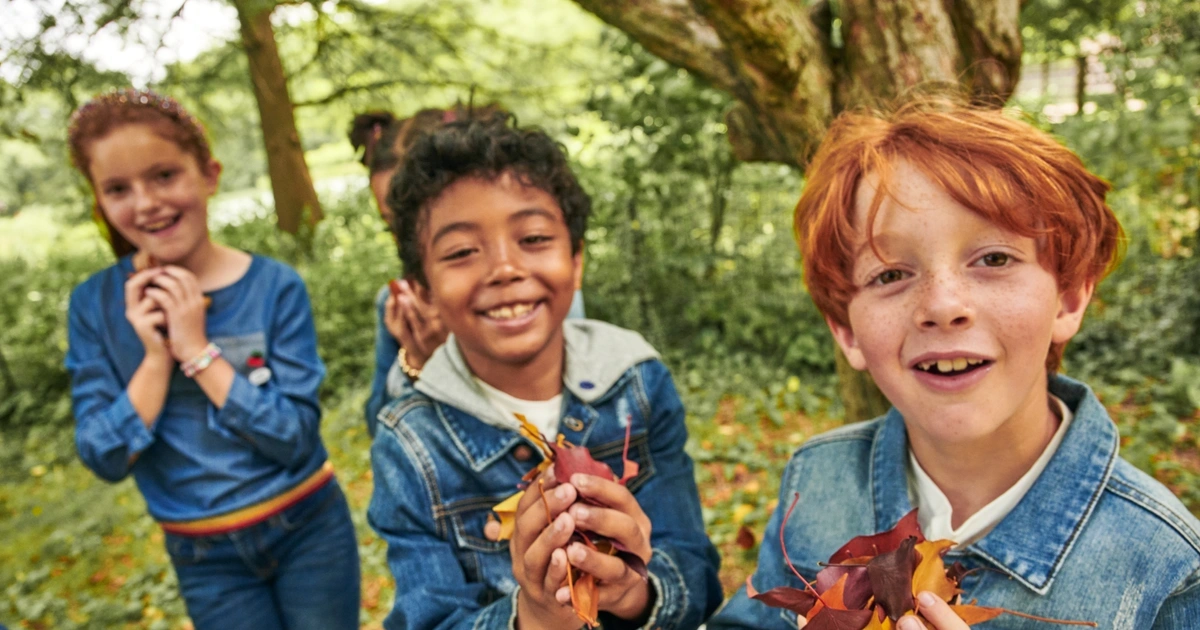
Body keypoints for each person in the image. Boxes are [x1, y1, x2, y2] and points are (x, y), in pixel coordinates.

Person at [708, 97, 1200, 630]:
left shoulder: (1166, 572)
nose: (942, 307)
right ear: (846, 331)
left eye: (994, 259)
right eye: (890, 274)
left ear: (1070, 298)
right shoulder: (817, 479)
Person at [366, 114, 722, 629]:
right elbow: (429, 617)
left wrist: (632, 592)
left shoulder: (637, 386)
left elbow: (695, 576)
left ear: (576, 260)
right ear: (422, 289)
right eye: (462, 251)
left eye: (532, 238)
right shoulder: (410, 447)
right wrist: (534, 616)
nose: (505, 269)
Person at [64, 89, 360, 630]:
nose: (146, 202)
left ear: (209, 175)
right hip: (204, 557)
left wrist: (197, 351)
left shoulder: (275, 287)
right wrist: (156, 357)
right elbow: (103, 456)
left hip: (308, 529)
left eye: (163, 176)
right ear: (99, 202)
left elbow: (294, 439)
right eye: (117, 188)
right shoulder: (93, 308)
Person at [348, 105, 587, 436]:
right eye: (394, 224)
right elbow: (381, 427)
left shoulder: (538, 298)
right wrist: (419, 364)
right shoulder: (396, 307)